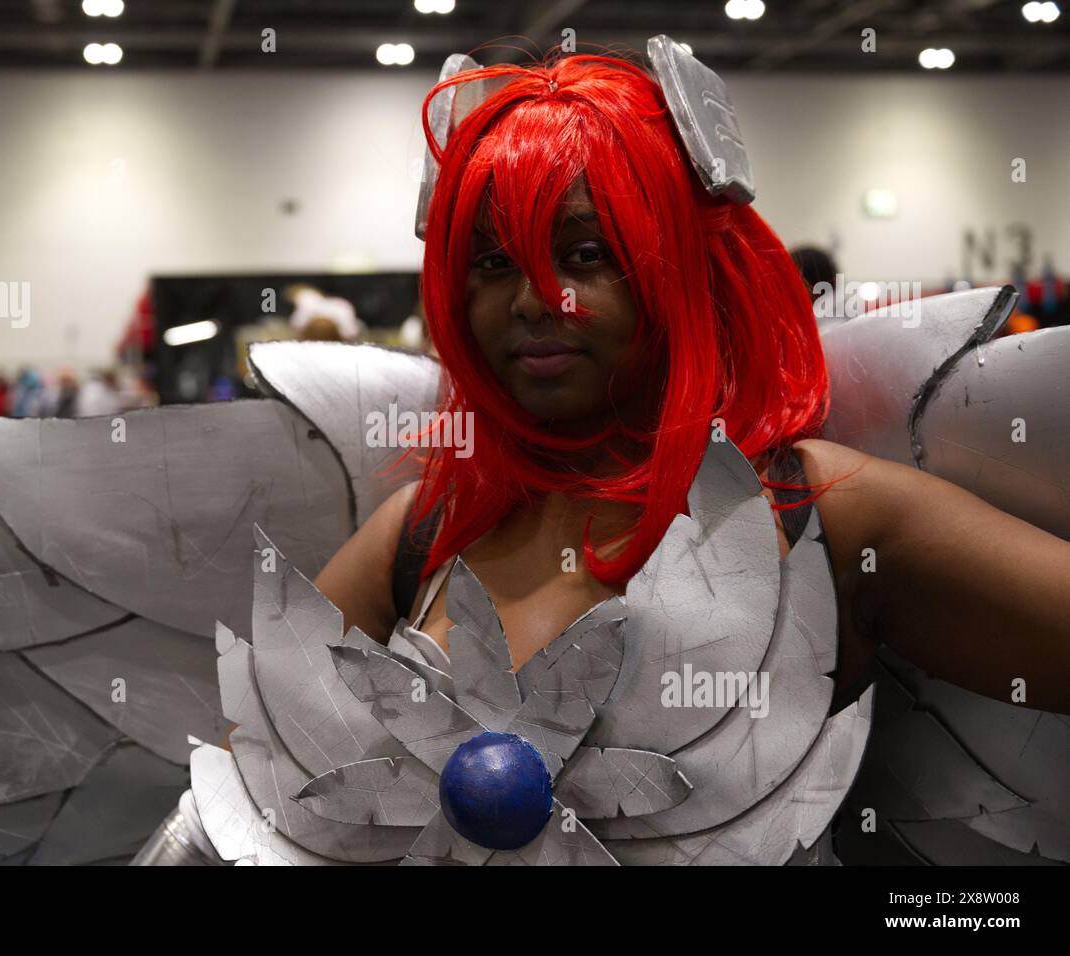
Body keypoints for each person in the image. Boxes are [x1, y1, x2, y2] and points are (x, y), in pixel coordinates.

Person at [310, 53, 1070, 719]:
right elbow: (248, 780)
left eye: (583, 254)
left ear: (679, 271)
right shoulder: (426, 527)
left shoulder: (821, 512)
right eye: (493, 263)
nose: (535, 300)